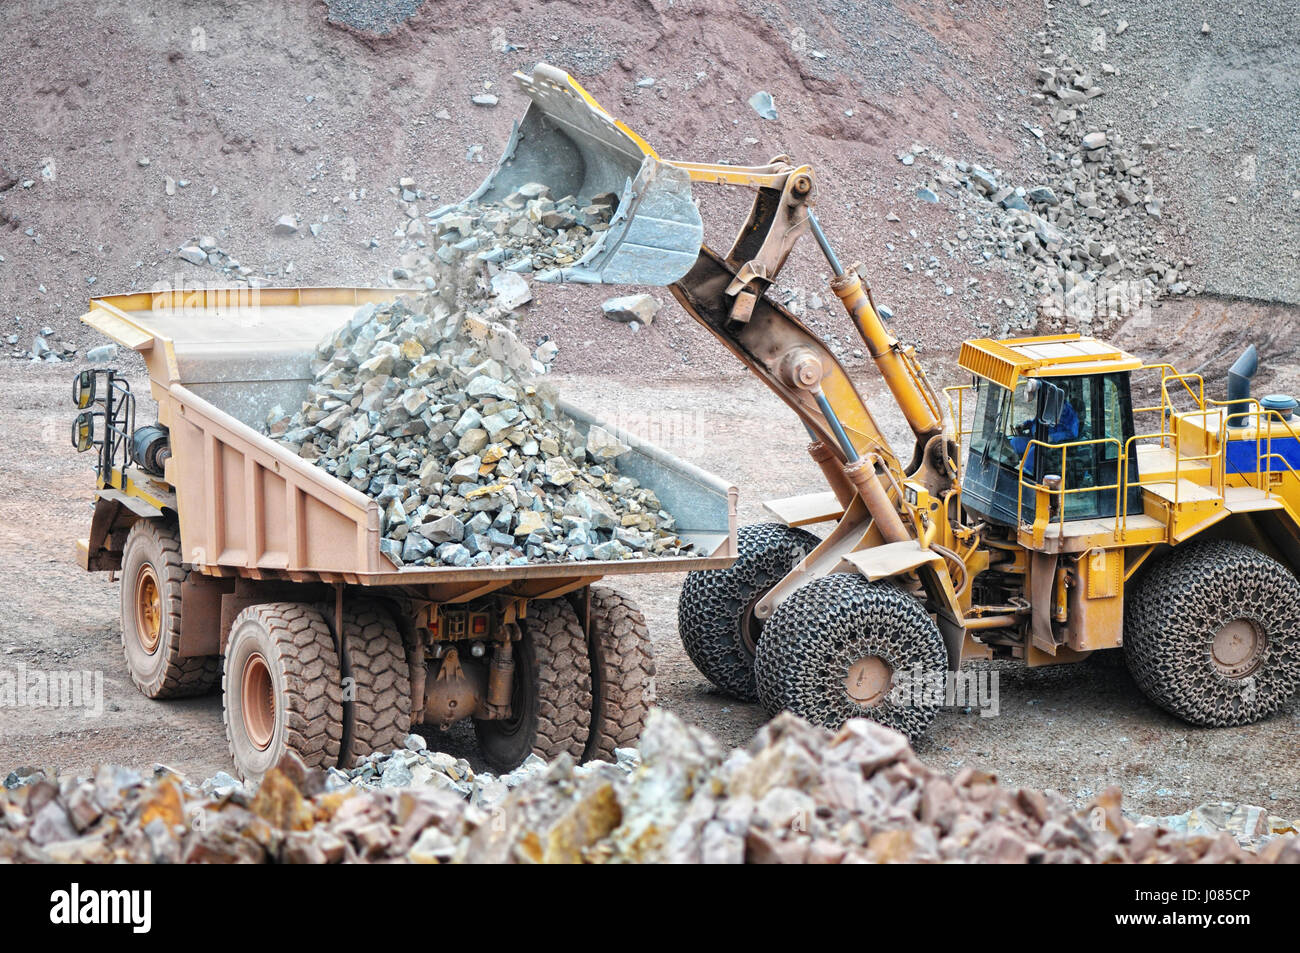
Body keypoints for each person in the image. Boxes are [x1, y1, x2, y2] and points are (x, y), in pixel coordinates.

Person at [1009, 378, 1079, 473]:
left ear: (1062, 395)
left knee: (1033, 453)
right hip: (1036, 438)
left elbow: (1072, 433)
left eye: (1052, 393)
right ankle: (1007, 472)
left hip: (1052, 446)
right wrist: (1024, 425)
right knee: (1014, 442)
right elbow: (1036, 421)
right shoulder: (1047, 406)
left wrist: (1052, 437)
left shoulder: (1070, 413)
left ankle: (1025, 479)